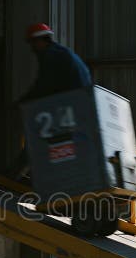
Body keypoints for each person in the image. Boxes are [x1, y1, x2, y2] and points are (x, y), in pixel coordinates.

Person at [11, 23, 92, 180]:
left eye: (33, 44)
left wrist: (21, 103)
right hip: (79, 105)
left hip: (69, 105)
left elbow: (43, 85)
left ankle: (18, 173)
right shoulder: (62, 53)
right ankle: (30, 173)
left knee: (38, 135)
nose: (32, 49)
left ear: (41, 40)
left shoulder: (50, 55)